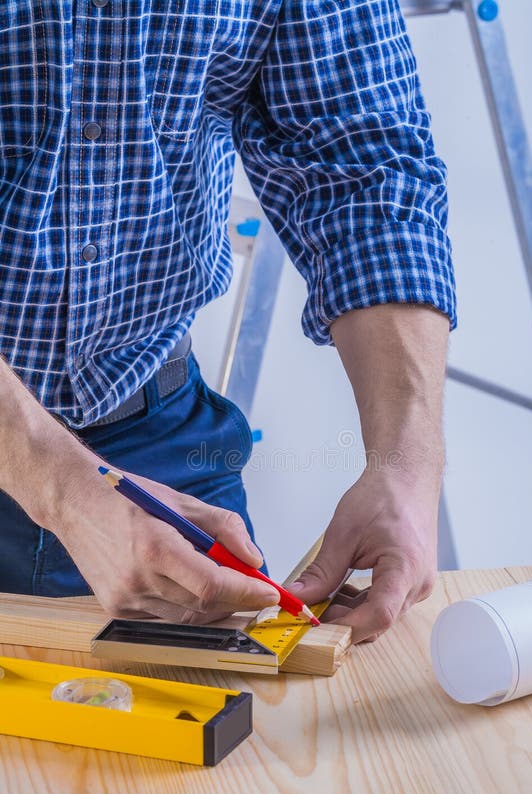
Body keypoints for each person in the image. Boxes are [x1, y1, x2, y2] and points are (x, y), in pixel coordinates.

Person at [0, 1, 455, 643]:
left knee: (238, 735)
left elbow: (365, 171)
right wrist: (65, 489)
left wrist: (407, 464)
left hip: (161, 453)